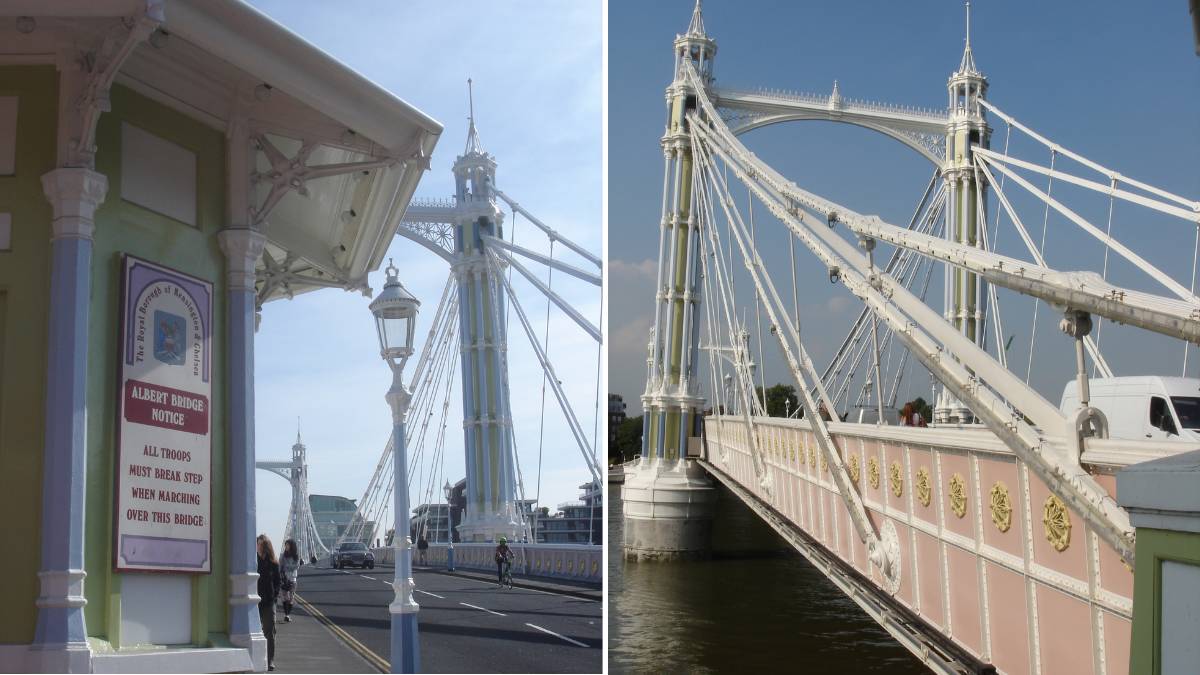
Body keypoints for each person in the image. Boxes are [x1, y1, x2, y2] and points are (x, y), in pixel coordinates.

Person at [256, 534, 282, 671]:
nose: (259, 547)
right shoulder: (252, 561)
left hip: (269, 601)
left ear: (266, 546)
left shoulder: (273, 563)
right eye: (258, 544)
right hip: (254, 600)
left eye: (262, 544)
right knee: (254, 631)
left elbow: (278, 581)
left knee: (269, 630)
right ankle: (256, 658)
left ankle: (270, 660)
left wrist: (274, 595)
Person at [280, 539, 302, 623]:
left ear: (292, 546)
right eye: (285, 545)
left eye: (287, 545)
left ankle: (288, 614)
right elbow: (280, 566)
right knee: (285, 597)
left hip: (293, 579)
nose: (286, 546)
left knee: (291, 598)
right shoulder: (283, 556)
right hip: (284, 578)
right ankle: (286, 615)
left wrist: (286, 567)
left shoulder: (296, 556)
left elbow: (296, 566)